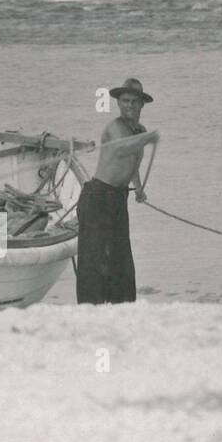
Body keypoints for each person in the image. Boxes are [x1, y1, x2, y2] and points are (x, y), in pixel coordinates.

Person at [76, 78, 156, 304]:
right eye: (124, 101)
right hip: (97, 197)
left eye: (134, 101)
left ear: (142, 105)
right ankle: (91, 309)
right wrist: (148, 139)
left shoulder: (140, 130)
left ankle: (122, 307)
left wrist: (139, 189)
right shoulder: (115, 127)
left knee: (121, 259)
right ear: (118, 103)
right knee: (95, 261)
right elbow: (121, 149)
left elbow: (133, 164)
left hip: (119, 199)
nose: (129, 105)